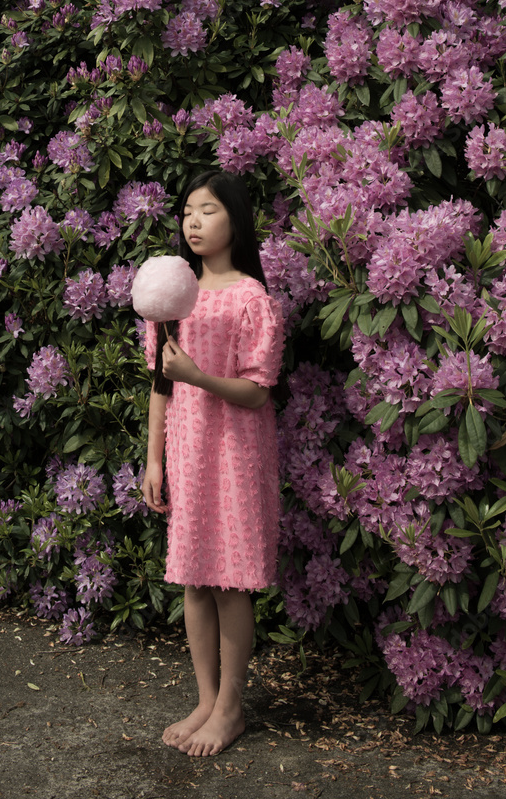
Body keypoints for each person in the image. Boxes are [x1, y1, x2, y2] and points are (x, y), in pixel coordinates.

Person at [141, 169, 284, 758]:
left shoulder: (253, 298)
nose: (193, 222)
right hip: (188, 451)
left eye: (208, 210)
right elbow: (159, 386)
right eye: (187, 212)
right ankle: (204, 697)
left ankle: (231, 708)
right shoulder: (172, 296)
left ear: (236, 220)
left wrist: (198, 376)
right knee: (194, 582)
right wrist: (154, 460)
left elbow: (258, 392)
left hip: (235, 454)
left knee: (230, 584)